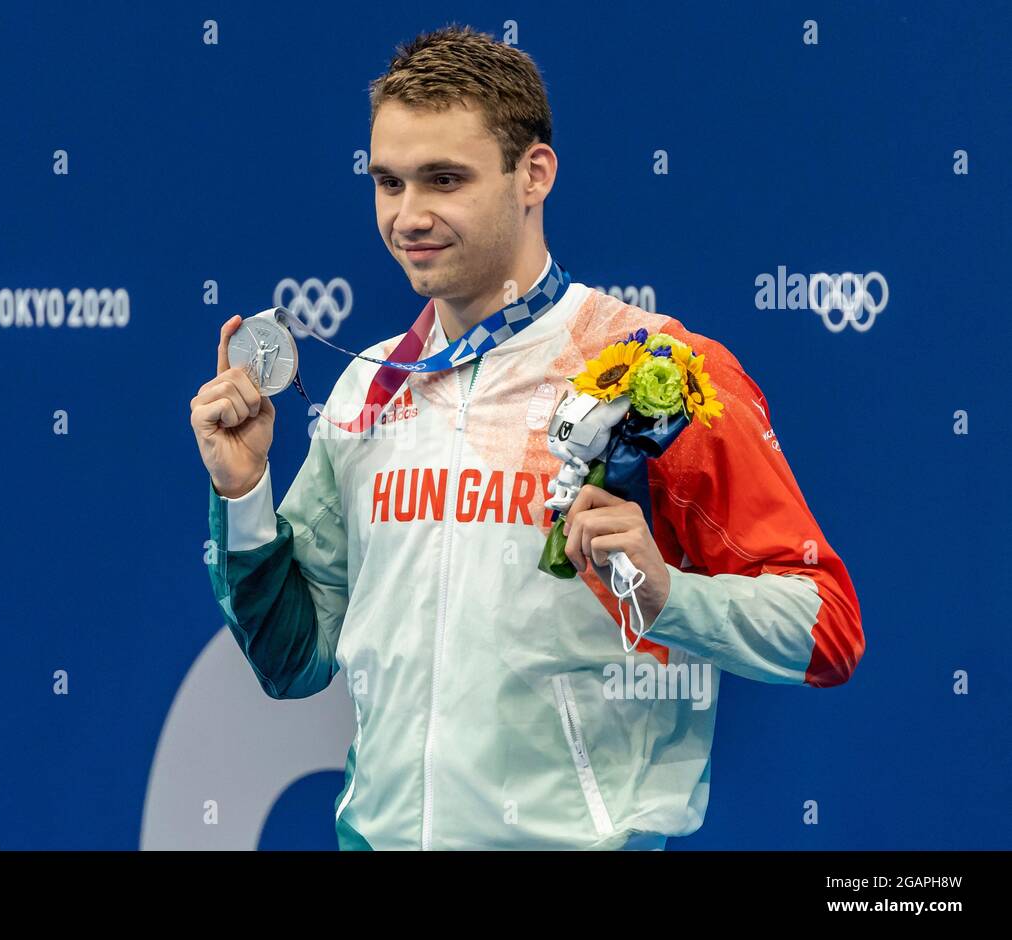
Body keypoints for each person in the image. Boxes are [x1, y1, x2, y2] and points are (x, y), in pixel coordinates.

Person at [189, 24, 864, 851]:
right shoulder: (369, 387)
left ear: (533, 174)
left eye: (445, 179)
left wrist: (668, 598)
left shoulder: (655, 372)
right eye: (389, 182)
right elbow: (293, 661)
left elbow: (829, 626)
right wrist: (243, 491)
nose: (409, 216)